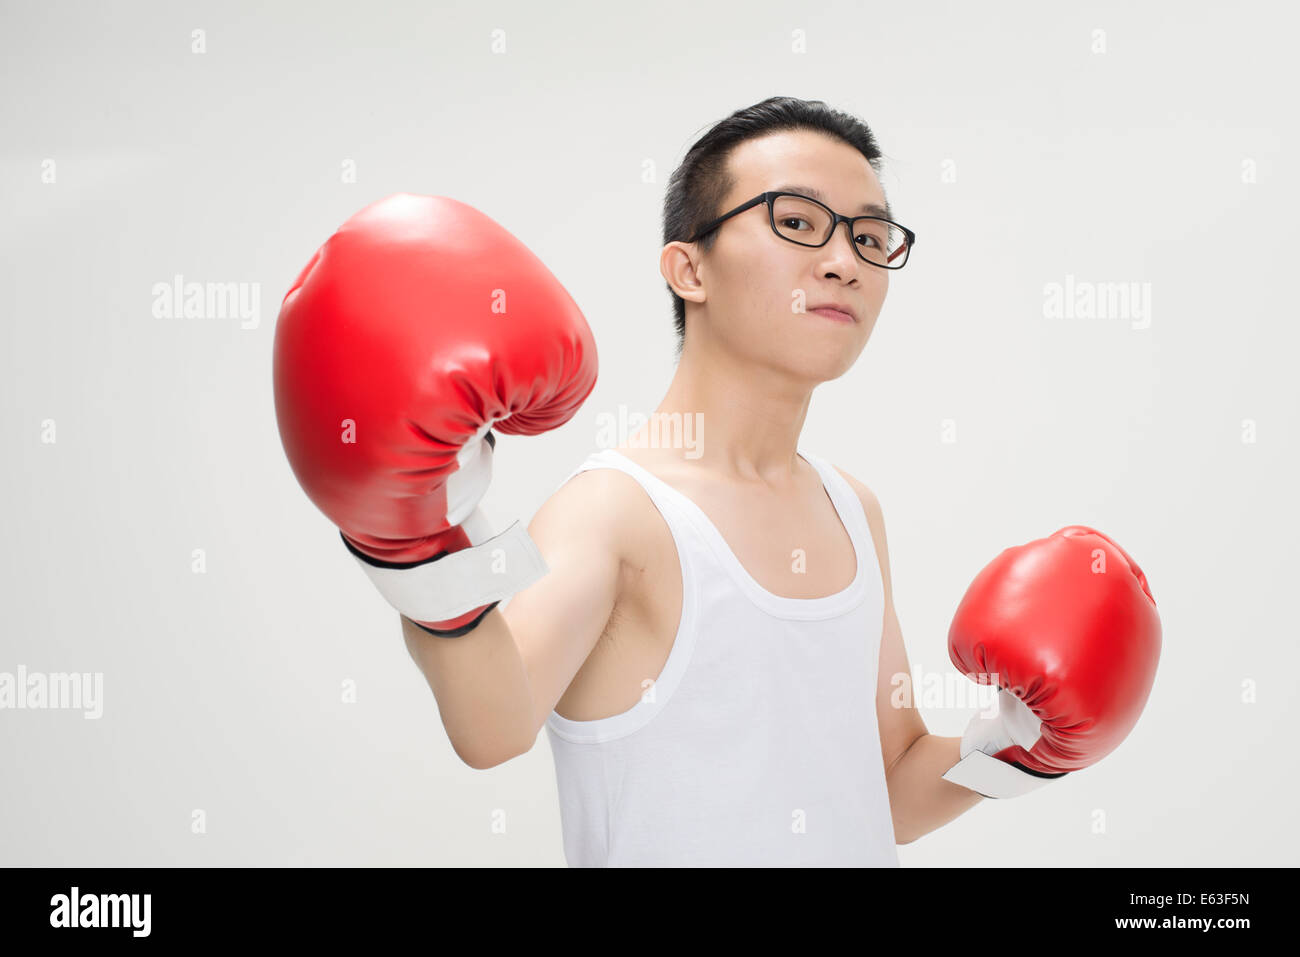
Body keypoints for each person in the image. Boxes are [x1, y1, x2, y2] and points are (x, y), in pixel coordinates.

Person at [274, 96, 1159, 867]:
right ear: (687, 267)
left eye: (870, 235)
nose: (845, 260)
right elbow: (491, 723)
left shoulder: (855, 509)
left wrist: (1017, 746)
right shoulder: (617, 509)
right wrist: (417, 542)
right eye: (799, 222)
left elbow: (884, 789)